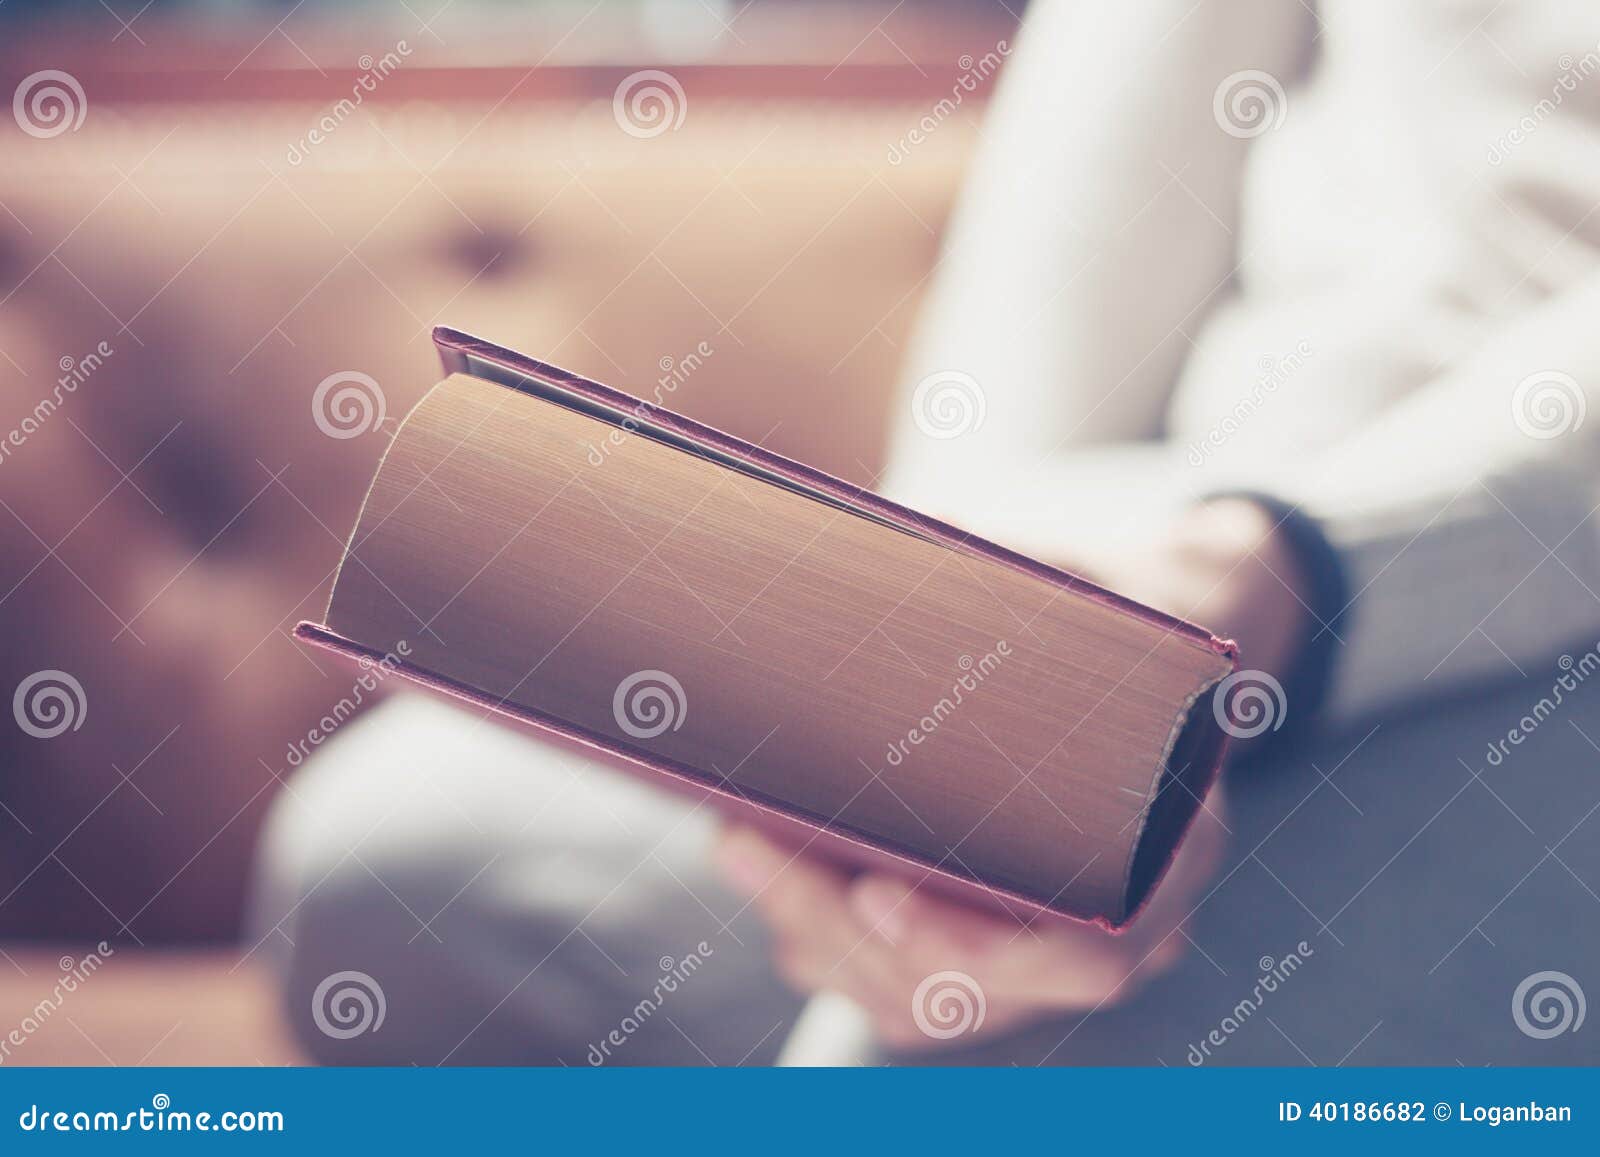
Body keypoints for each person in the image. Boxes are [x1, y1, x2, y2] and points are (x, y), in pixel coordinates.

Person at [254, 0, 1600, 1063]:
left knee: (966, 1048)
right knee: (394, 871)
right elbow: (1131, 140)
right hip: (1186, 538)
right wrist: (953, 664)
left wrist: (1271, 578)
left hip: (1515, 617)